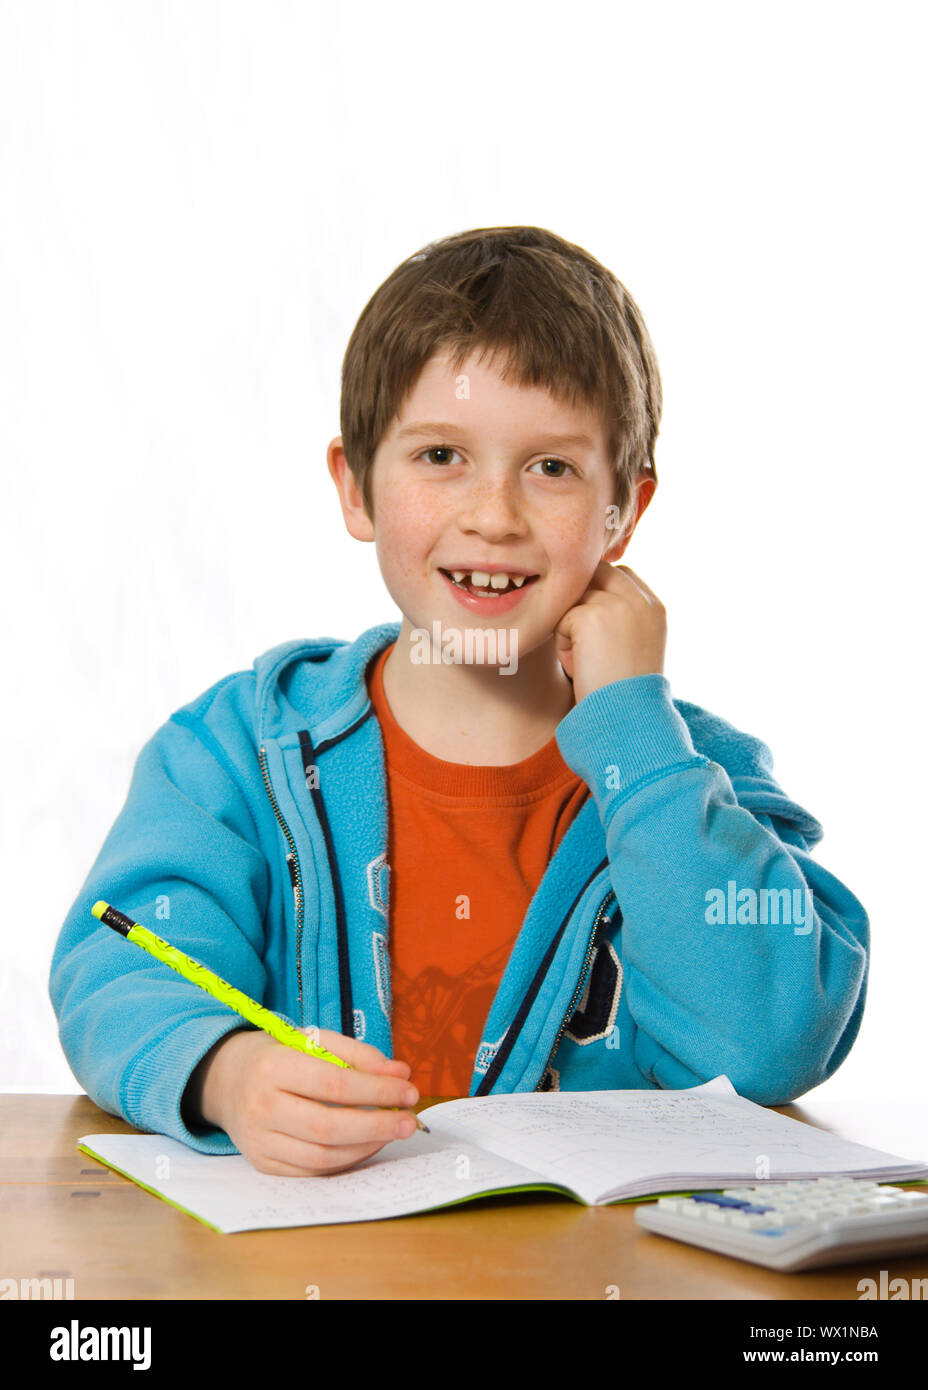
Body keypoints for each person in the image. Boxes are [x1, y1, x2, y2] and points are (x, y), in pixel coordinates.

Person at [49, 226, 869, 1177]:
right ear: (354, 486)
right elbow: (120, 966)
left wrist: (639, 740)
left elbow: (768, 1044)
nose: (495, 514)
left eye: (551, 467)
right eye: (441, 455)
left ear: (626, 513)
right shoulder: (237, 751)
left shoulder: (690, 780)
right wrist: (232, 1075)